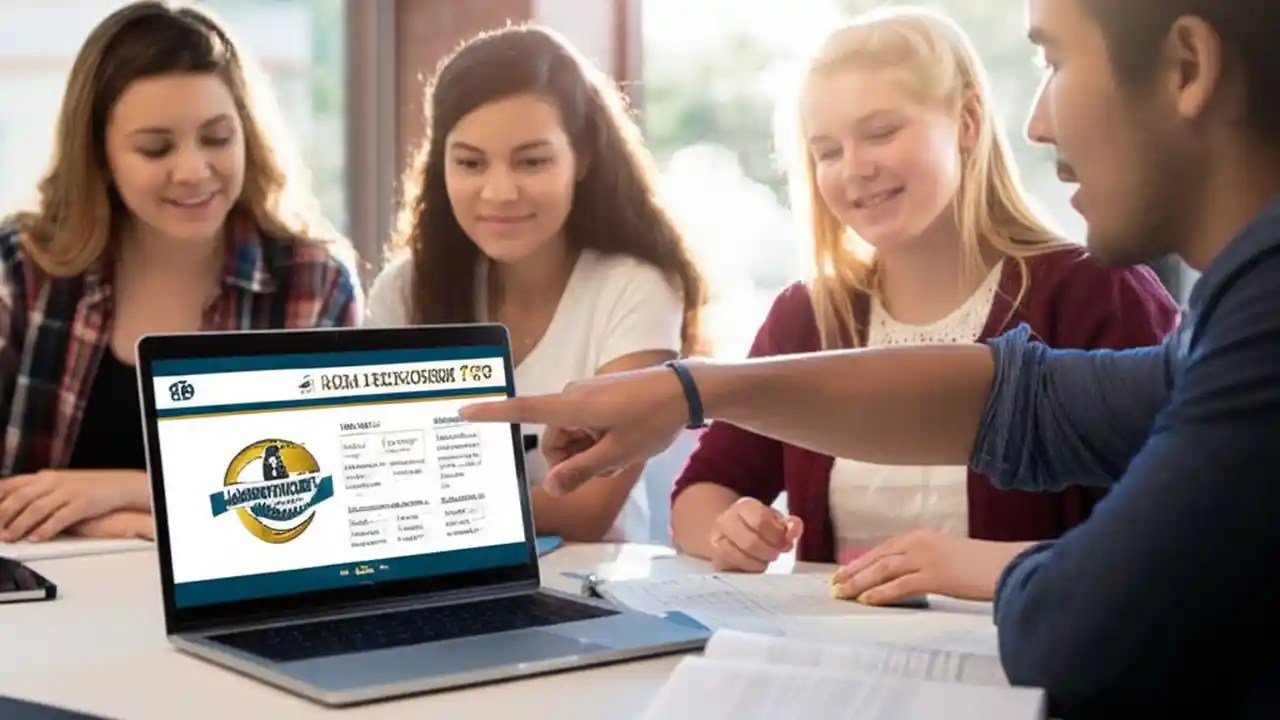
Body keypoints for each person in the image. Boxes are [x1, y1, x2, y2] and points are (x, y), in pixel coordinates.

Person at [461, 0, 1280, 715]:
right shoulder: (1234, 308)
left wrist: (985, 569)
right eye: (826, 148)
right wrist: (692, 391)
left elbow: (1088, 628)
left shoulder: (1245, 316)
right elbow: (1020, 398)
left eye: (1054, 60)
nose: (1035, 121)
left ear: (1186, 66)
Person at [668, 8, 1179, 588]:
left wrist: (979, 569)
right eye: (828, 152)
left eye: (882, 133)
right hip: (845, 653)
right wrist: (729, 531)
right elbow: (700, 491)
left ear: (966, 122)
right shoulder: (808, 316)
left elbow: (1168, 528)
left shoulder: (1097, 294)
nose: (855, 169)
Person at [0, 2, 361, 543]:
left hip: (240, 601)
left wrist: (122, 490)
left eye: (217, 138)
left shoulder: (314, 285)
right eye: (155, 148)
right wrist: (126, 524)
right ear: (100, 157)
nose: (193, 171)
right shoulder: (21, 270)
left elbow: (329, 494)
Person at [365, 25, 707, 542]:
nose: (500, 191)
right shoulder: (403, 289)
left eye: (532, 161)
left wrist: (421, 513)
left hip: (594, 595)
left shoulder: (636, 287)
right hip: (438, 587)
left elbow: (587, 509)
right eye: (470, 162)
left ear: (583, 158)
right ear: (441, 165)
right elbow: (369, 475)